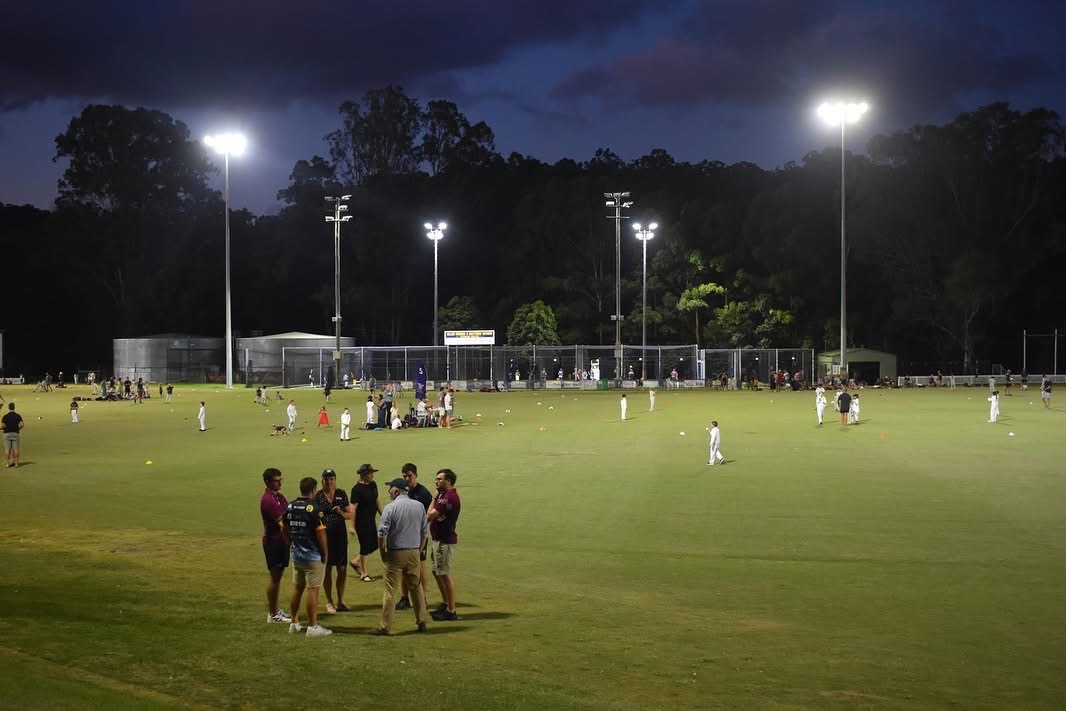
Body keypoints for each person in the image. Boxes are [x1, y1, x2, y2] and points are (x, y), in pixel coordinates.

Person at [369, 477, 430, 635]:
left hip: (395, 554)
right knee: (416, 589)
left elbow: (382, 533)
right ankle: (422, 620)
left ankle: (385, 627)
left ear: (396, 491)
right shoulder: (419, 507)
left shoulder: (390, 507)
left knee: (390, 591)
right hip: (414, 553)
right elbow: (425, 532)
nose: (389, 491)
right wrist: (419, 549)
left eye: (390, 489)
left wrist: (383, 552)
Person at [282, 477, 332, 637]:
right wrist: (325, 553)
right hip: (313, 556)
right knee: (313, 589)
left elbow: (283, 527)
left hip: (297, 555)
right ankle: (312, 626)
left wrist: (289, 541)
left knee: (297, 588)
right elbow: (321, 533)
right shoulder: (315, 508)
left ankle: (294, 623)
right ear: (314, 490)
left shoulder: (290, 506)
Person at [315, 469, 353, 614]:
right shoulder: (318, 496)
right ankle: (329, 601)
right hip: (325, 537)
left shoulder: (341, 494)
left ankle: (341, 600)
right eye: (326, 479)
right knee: (328, 569)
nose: (329, 482)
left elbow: (350, 515)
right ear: (322, 481)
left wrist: (341, 513)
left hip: (340, 537)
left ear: (335, 480)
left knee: (342, 569)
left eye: (331, 479)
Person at [395, 463, 433, 611]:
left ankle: (423, 597)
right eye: (404, 476)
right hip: (403, 535)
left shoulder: (423, 493)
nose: (407, 478)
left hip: (418, 535)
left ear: (416, 475)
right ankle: (405, 598)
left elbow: (429, 514)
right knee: (404, 567)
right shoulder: (402, 492)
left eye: (409, 475)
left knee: (421, 565)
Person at [428, 468, 461, 621]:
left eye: (439, 479)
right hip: (438, 540)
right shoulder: (443, 495)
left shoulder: (448, 497)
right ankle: (446, 603)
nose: (436, 481)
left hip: (445, 541)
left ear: (448, 481)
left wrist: (434, 500)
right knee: (437, 571)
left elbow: (429, 515)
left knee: (444, 573)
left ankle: (451, 610)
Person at [259, 468, 292, 624]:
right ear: (267, 482)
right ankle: (272, 614)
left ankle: (275, 610)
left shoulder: (279, 497)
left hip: (281, 541)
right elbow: (282, 523)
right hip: (274, 543)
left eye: (280, 479)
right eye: (276, 480)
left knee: (278, 577)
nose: (279, 482)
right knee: (274, 578)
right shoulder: (268, 500)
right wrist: (293, 540)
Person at [349, 464, 382, 582]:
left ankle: (355, 562)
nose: (372, 475)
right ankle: (364, 573)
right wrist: (352, 526)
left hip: (371, 520)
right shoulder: (356, 489)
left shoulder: (373, 484)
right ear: (363, 475)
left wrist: (383, 514)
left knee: (374, 544)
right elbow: (353, 508)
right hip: (361, 522)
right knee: (365, 546)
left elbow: (376, 500)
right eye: (370, 473)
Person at [2, 402, 25, 468]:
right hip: (15, 433)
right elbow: (22, 424)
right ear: (14, 407)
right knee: (16, 449)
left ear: (8, 408)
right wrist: (18, 429)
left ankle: (7, 464)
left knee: (7, 449)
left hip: (7, 434)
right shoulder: (18, 415)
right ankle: (16, 464)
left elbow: (3, 425)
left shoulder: (5, 416)